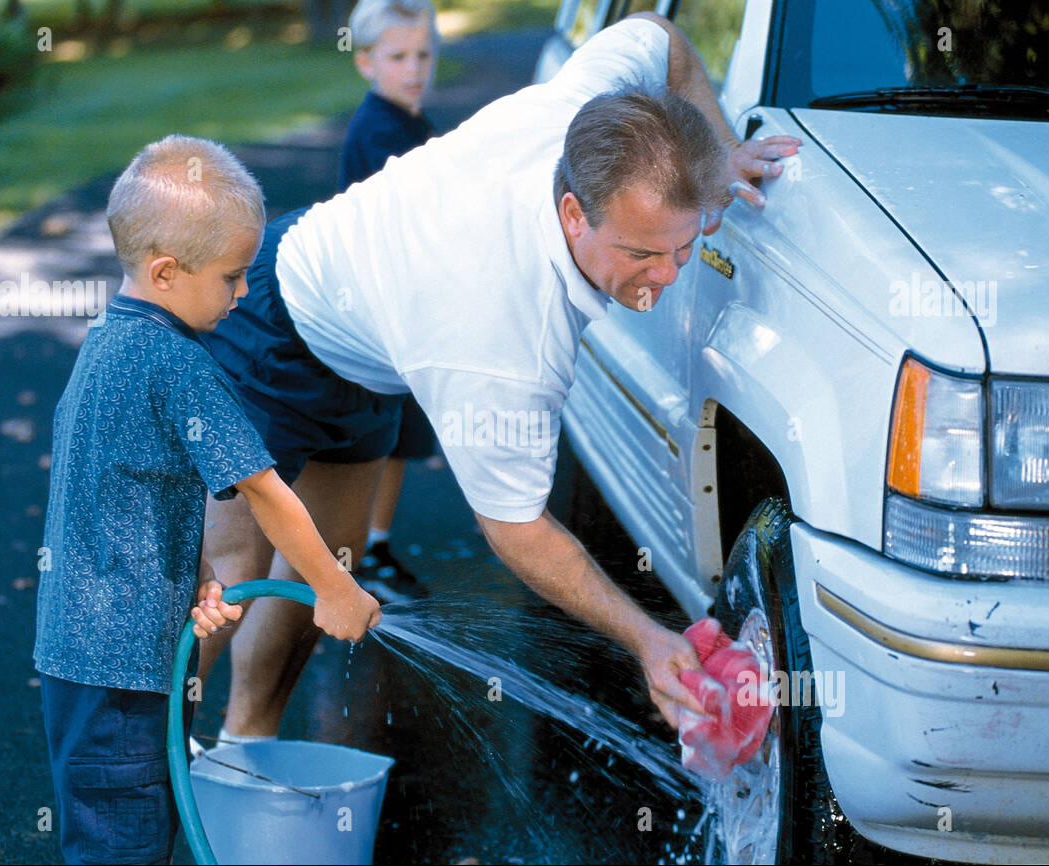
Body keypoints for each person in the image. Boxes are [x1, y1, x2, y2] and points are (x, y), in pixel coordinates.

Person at [194, 13, 801, 746]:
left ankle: (242, 745)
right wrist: (646, 636)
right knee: (230, 568)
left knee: (324, 564)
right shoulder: (503, 333)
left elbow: (660, 39)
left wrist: (725, 150)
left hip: (370, 353)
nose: (667, 276)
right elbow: (516, 529)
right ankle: (132, 756)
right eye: (642, 253)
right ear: (573, 213)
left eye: (681, 245)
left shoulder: (587, 114)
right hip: (273, 323)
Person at [33, 134, 381, 864]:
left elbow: (111, 488)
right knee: (127, 843)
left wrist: (191, 578)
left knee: (104, 834)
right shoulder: (182, 365)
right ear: (166, 272)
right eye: (232, 277)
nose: (245, 294)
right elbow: (266, 490)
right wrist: (334, 585)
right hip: (130, 676)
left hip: (74, 659)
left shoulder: (103, 342)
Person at [338, 0, 441, 602]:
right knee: (377, 436)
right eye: (399, 56)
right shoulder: (380, 132)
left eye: (424, 54)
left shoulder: (410, 123)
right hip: (377, 308)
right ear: (366, 63)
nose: (415, 67)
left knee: (398, 434)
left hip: (403, 305)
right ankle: (354, 553)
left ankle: (374, 544)